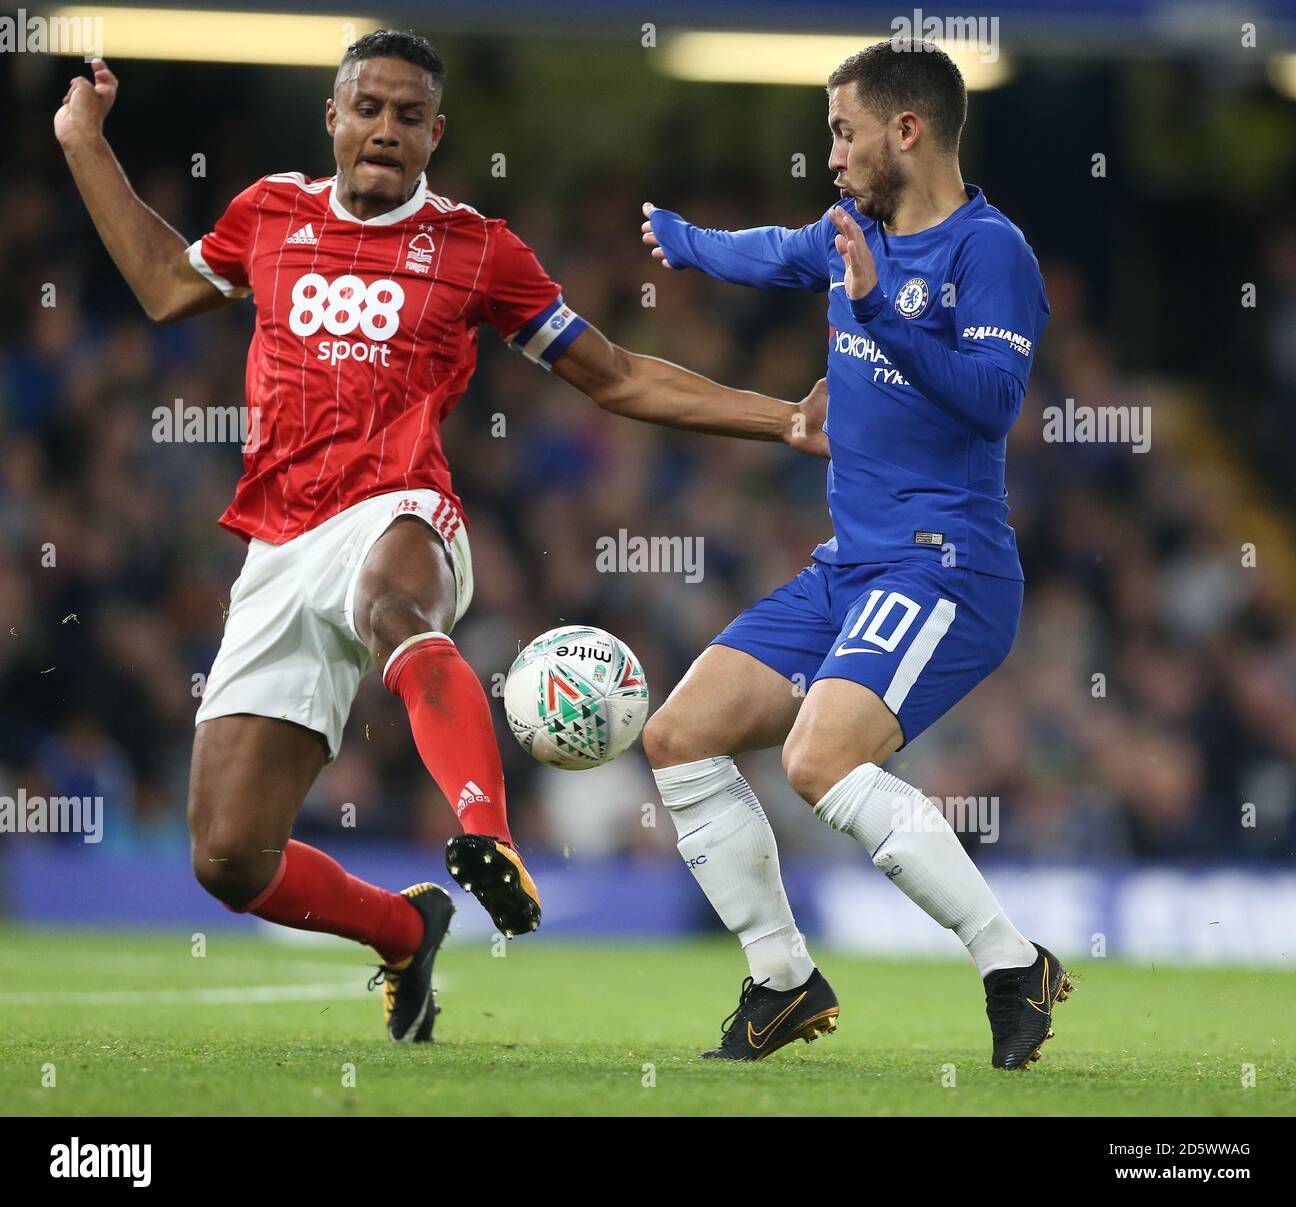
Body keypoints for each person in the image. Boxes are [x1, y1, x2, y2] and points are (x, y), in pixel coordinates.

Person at [54, 29, 827, 1043]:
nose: (385, 131)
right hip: (281, 544)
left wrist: (779, 418)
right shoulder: (269, 214)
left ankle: (485, 836)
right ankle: (405, 930)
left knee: (394, 605)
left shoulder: (474, 248)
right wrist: (81, 142)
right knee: (229, 858)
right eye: (367, 108)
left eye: (408, 116)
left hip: (403, 509)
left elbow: (616, 374)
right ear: (332, 117)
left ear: (435, 134)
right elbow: (162, 286)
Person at [640, 39, 1070, 1068]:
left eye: (842, 131)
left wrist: (879, 311)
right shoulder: (845, 236)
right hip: (852, 564)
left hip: (946, 564)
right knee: (679, 735)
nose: (829, 155)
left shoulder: (988, 251)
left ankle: (1013, 963)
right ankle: (782, 980)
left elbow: (993, 400)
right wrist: (685, 240)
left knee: (818, 760)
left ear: (904, 130)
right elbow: (769, 251)